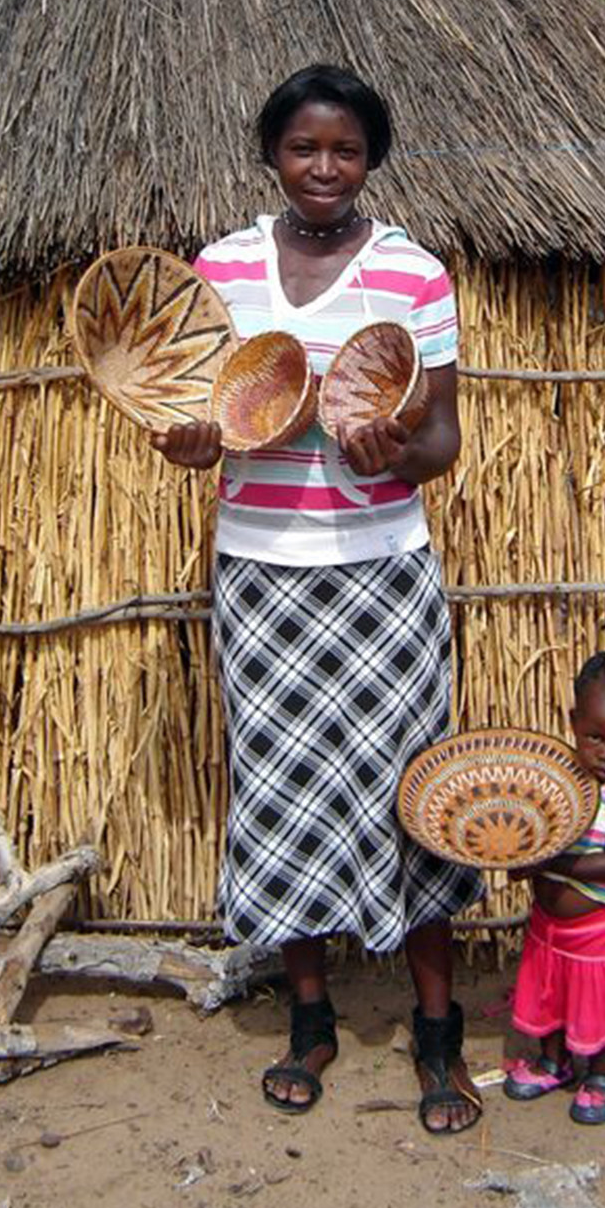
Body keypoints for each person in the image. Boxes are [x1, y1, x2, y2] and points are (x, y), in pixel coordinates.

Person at [150, 65, 484, 1135]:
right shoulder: (222, 269)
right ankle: (310, 1017)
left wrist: (397, 454)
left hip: (382, 569)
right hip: (260, 568)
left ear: (371, 157)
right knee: (280, 785)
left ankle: (437, 1026)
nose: (324, 168)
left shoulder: (413, 275)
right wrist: (192, 444)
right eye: (304, 148)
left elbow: (442, 439)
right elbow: (203, 414)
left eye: (345, 149)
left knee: (410, 788)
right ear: (272, 155)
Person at [503, 612, 605, 1125]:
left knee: (599, 1003)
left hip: (599, 932)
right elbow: (535, 830)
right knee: (551, 993)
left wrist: (547, 861)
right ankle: (554, 1061)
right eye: (595, 738)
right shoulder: (562, 779)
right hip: (550, 926)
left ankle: (603, 1075)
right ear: (573, 722)